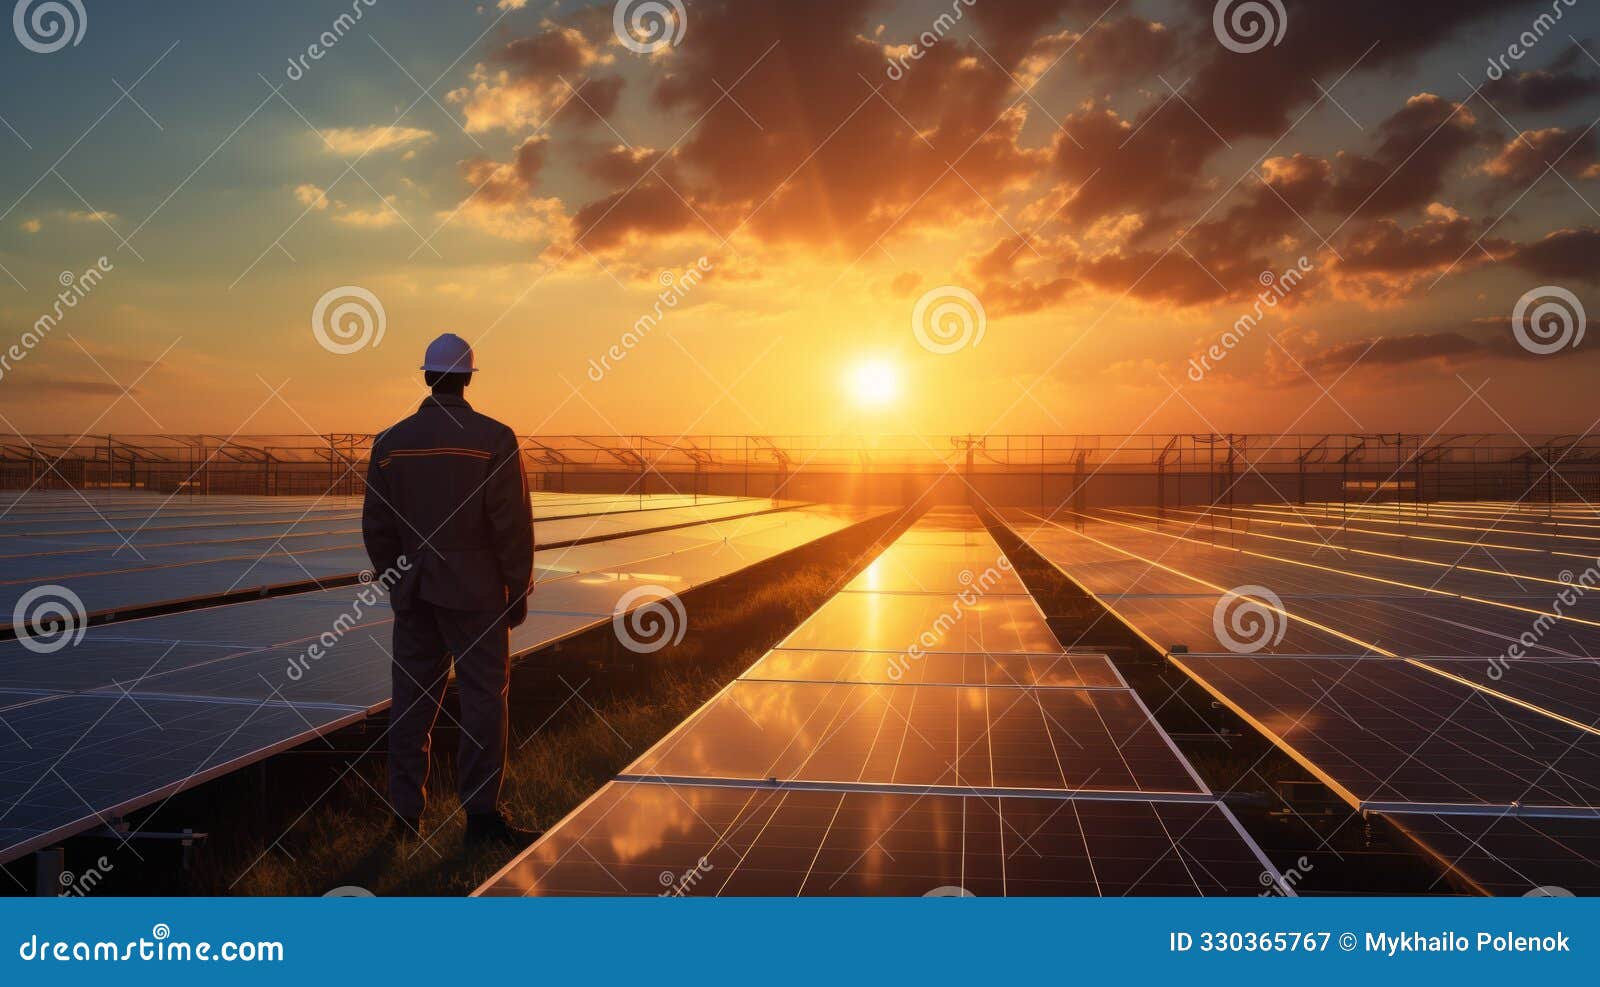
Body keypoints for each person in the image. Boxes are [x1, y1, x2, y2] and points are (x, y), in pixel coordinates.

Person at [361, 332, 538, 848]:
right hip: (478, 594)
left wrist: (400, 576)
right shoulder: (494, 439)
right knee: (484, 700)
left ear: (426, 376)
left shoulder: (390, 444)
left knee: (411, 702)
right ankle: (480, 817)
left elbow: (378, 526)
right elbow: (511, 524)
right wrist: (516, 585)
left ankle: (404, 817)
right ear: (466, 379)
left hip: (415, 593)